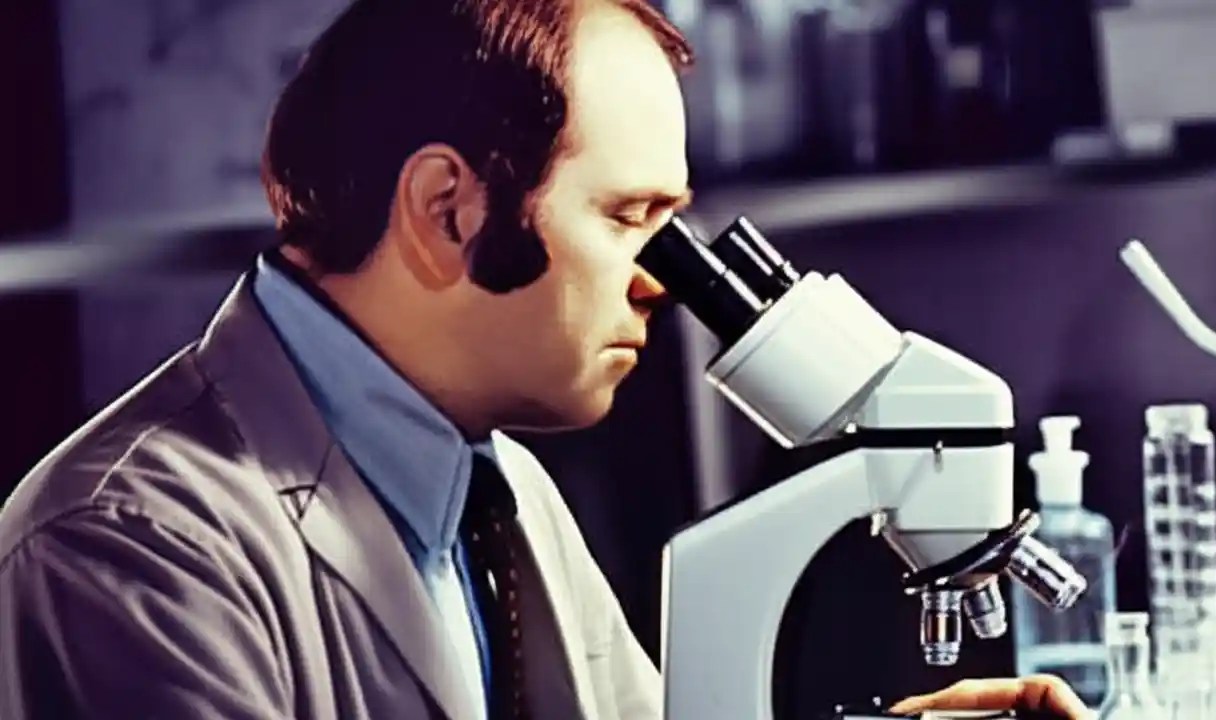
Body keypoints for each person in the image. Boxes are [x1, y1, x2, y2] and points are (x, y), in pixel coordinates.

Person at [0, 0, 1092, 718]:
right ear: (448, 210)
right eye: (629, 219)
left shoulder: (492, 486)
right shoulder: (127, 550)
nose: (663, 278)